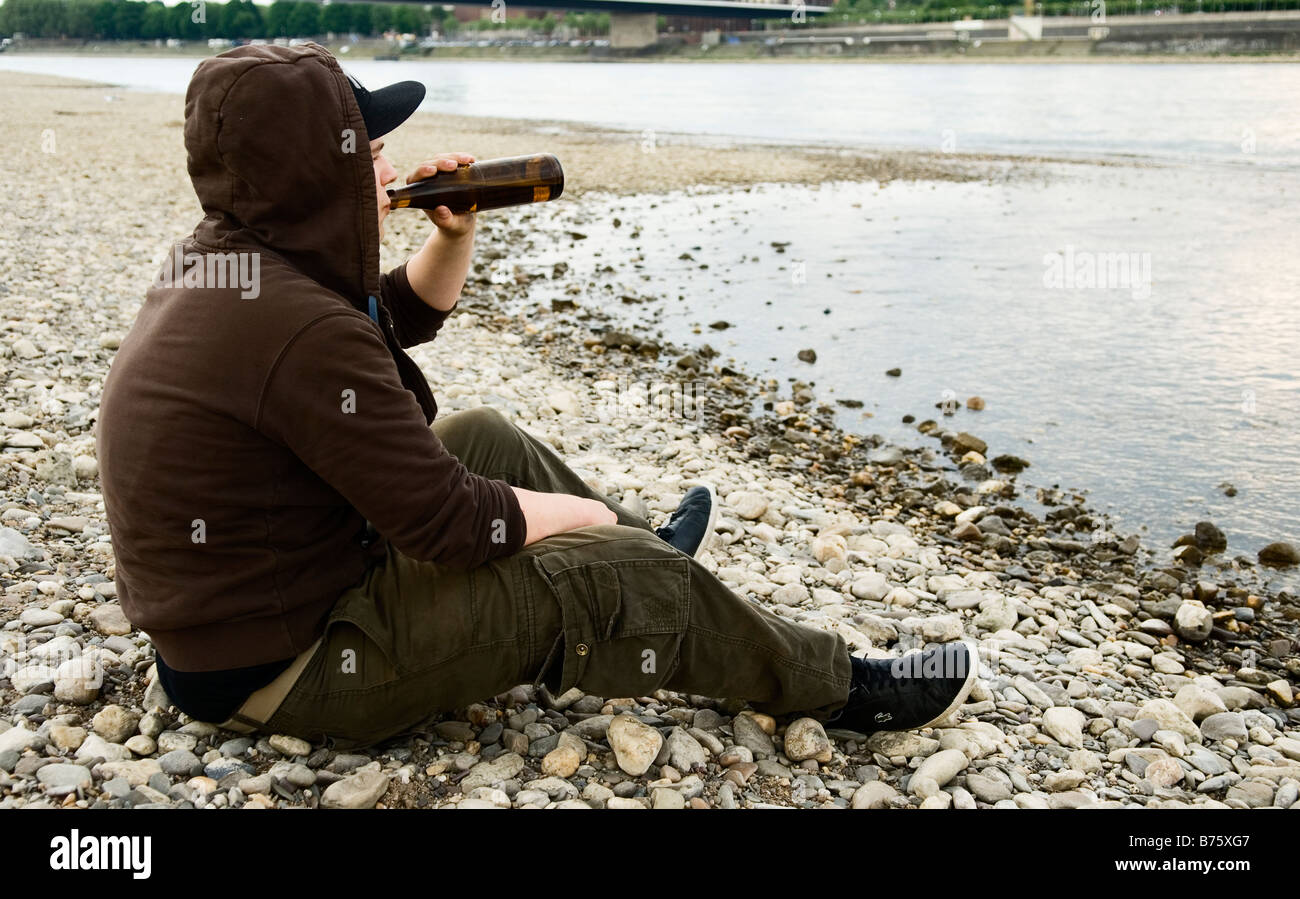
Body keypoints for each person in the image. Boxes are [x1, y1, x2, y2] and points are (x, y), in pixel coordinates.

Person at [97, 42, 979, 753]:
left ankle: (654, 557)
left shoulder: (231, 261)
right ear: (313, 178)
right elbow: (451, 523)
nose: (387, 168)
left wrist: (455, 232)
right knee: (605, 571)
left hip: (252, 615)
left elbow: (389, 316)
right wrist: (583, 525)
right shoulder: (292, 323)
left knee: (481, 431)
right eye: (367, 155)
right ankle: (844, 686)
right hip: (291, 664)